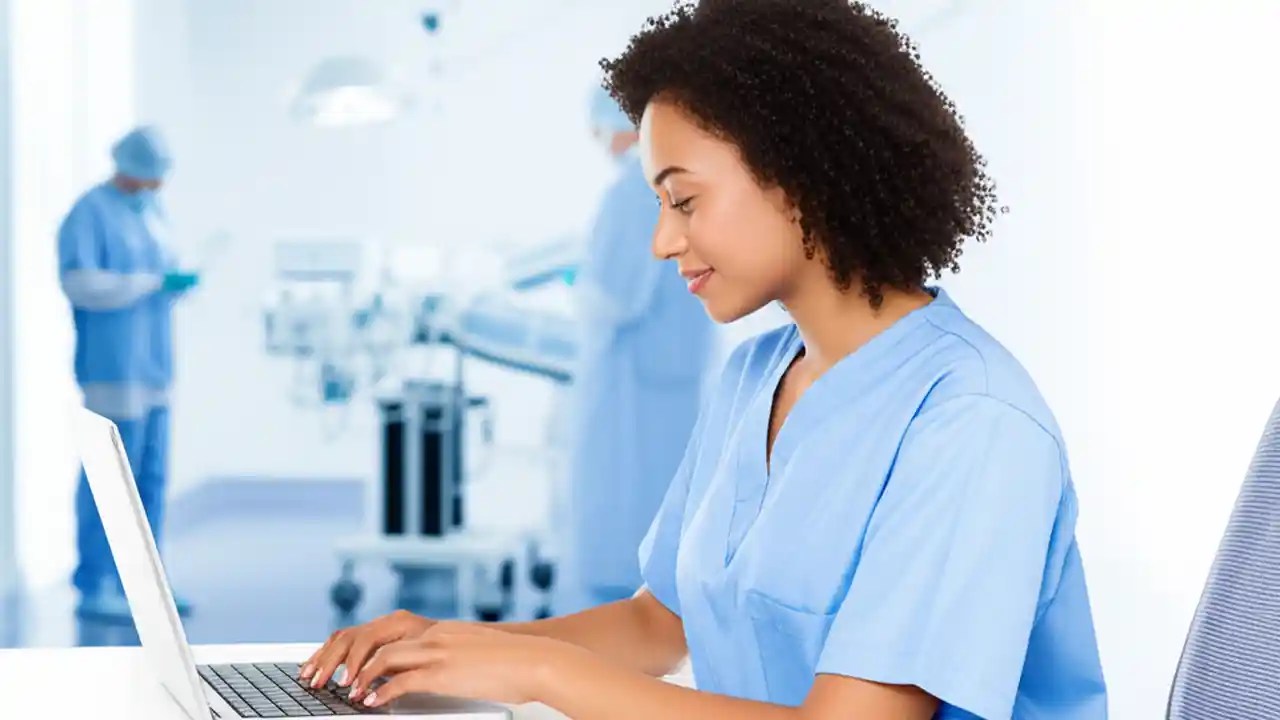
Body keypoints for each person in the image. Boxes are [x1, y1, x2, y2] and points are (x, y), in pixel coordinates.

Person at [299, 2, 1107, 717]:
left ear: (802, 176)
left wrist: (538, 670)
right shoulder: (757, 374)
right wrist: (448, 652)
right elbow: (661, 624)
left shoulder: (972, 425)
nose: (661, 241)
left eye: (683, 200)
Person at [565, 86, 715, 606]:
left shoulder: (633, 191)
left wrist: (580, 305)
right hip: (664, 371)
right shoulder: (659, 187)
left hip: (635, 376)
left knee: (629, 500)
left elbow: (613, 295)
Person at [58, 126, 199, 620]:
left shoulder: (152, 212)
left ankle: (146, 585)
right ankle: (97, 584)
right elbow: (80, 283)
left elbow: (161, 274)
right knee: (112, 476)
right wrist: (148, 283)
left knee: (151, 476)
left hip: (154, 364)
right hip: (112, 366)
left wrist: (173, 283)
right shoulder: (89, 211)